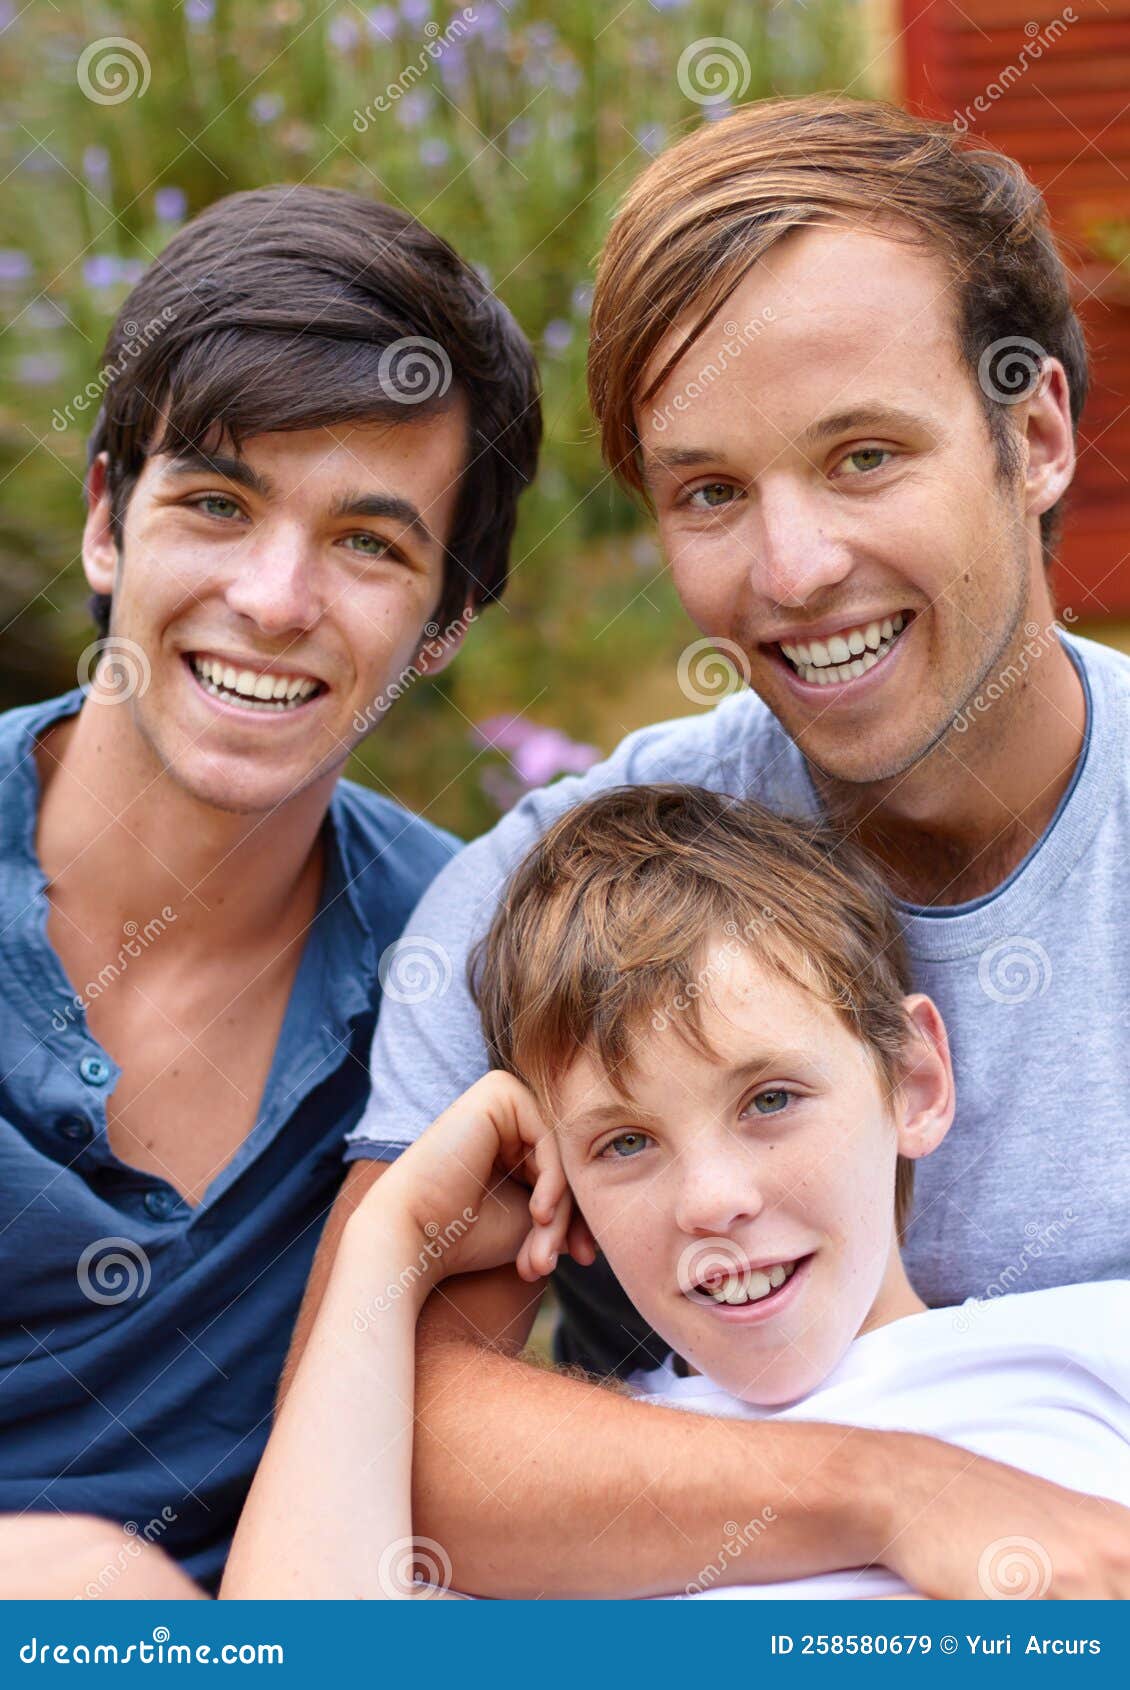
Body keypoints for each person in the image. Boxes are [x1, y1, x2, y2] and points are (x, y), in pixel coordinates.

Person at [287, 94, 1130, 1597]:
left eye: (864, 456)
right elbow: (392, 1437)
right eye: (710, 494)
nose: (794, 570)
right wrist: (894, 1490)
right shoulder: (556, 897)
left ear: (1035, 433)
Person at [0, 183, 540, 1594]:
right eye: (217, 504)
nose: (276, 596)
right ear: (108, 521)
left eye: (370, 543)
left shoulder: (470, 967)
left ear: (444, 626)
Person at [222, 785, 1130, 1601]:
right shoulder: (568, 1514)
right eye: (625, 1144)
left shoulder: (1083, 1357)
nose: (712, 1199)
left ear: (915, 1081)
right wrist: (394, 1230)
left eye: (770, 1100)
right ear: (559, 1187)